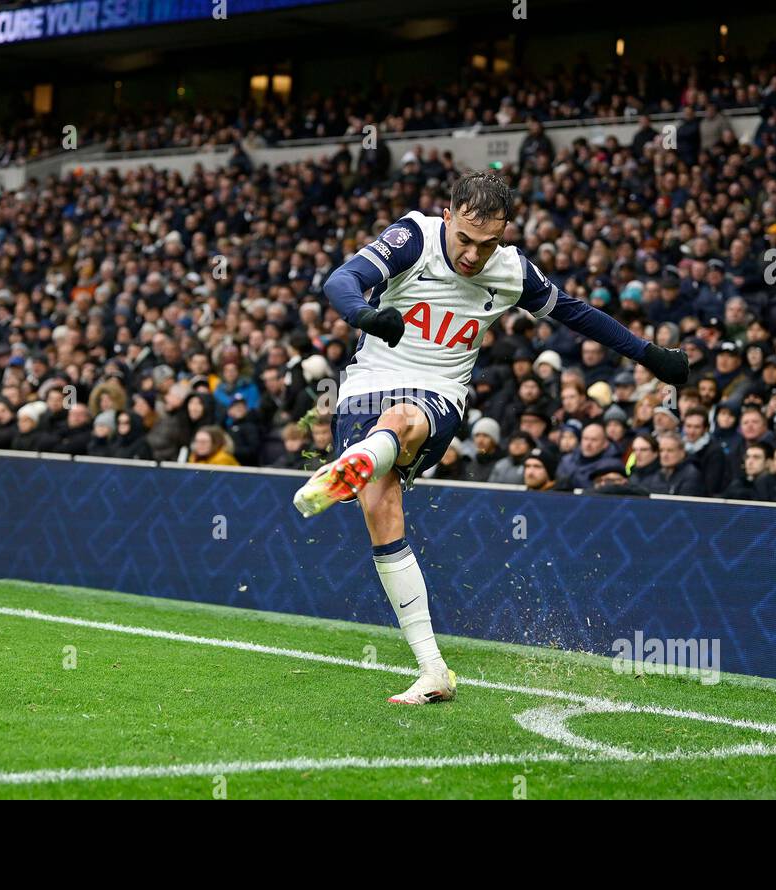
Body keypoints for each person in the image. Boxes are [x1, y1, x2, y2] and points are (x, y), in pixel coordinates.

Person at [290, 170, 689, 704]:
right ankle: (433, 670)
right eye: (466, 240)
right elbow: (339, 281)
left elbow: (577, 314)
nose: (475, 256)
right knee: (380, 509)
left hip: (438, 395)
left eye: (490, 243)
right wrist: (365, 314)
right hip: (367, 385)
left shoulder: (511, 271)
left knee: (403, 422)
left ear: (504, 233)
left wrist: (648, 354)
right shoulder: (414, 237)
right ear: (448, 215)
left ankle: (358, 460)